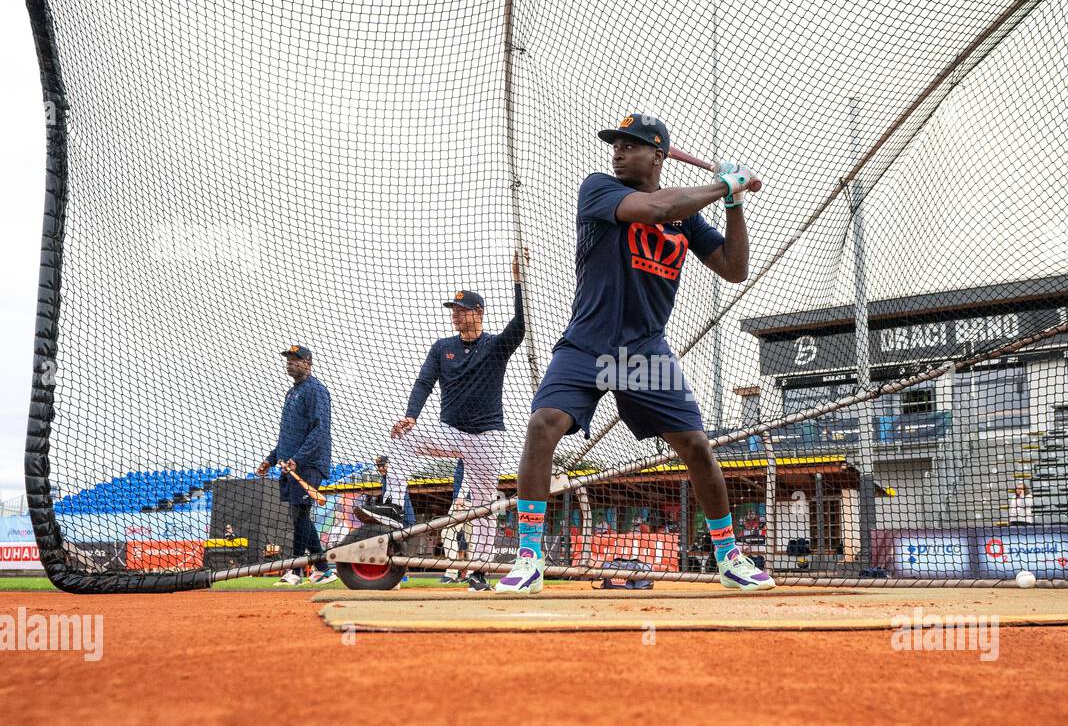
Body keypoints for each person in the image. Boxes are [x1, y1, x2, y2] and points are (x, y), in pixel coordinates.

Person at [495, 112, 773, 594]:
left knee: (697, 448)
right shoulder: (599, 188)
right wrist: (723, 182)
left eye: (631, 145)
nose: (618, 152)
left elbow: (734, 267)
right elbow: (658, 210)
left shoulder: (689, 215)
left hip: (644, 352)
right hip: (588, 342)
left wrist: (733, 201)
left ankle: (729, 557)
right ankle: (529, 557)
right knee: (543, 425)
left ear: (658, 155)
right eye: (616, 144)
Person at [372, 251, 526, 590]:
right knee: (403, 436)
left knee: (484, 508)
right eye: (453, 311)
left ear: (479, 313)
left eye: (461, 310)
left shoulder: (496, 345)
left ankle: (478, 572)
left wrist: (518, 279)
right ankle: (394, 504)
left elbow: (521, 326)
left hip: (488, 437)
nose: (455, 315)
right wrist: (411, 416)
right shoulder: (442, 347)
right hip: (451, 432)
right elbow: (423, 382)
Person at [256, 345, 336, 586]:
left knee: (300, 513)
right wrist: (270, 459)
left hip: (308, 463)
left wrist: (298, 458)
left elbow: (320, 429)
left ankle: (295, 571)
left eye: (296, 359)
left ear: (308, 362)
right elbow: (287, 436)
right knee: (300, 515)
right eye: (288, 359)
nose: (290, 363)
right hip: (290, 464)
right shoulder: (292, 392)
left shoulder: (316, 390)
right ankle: (322, 568)